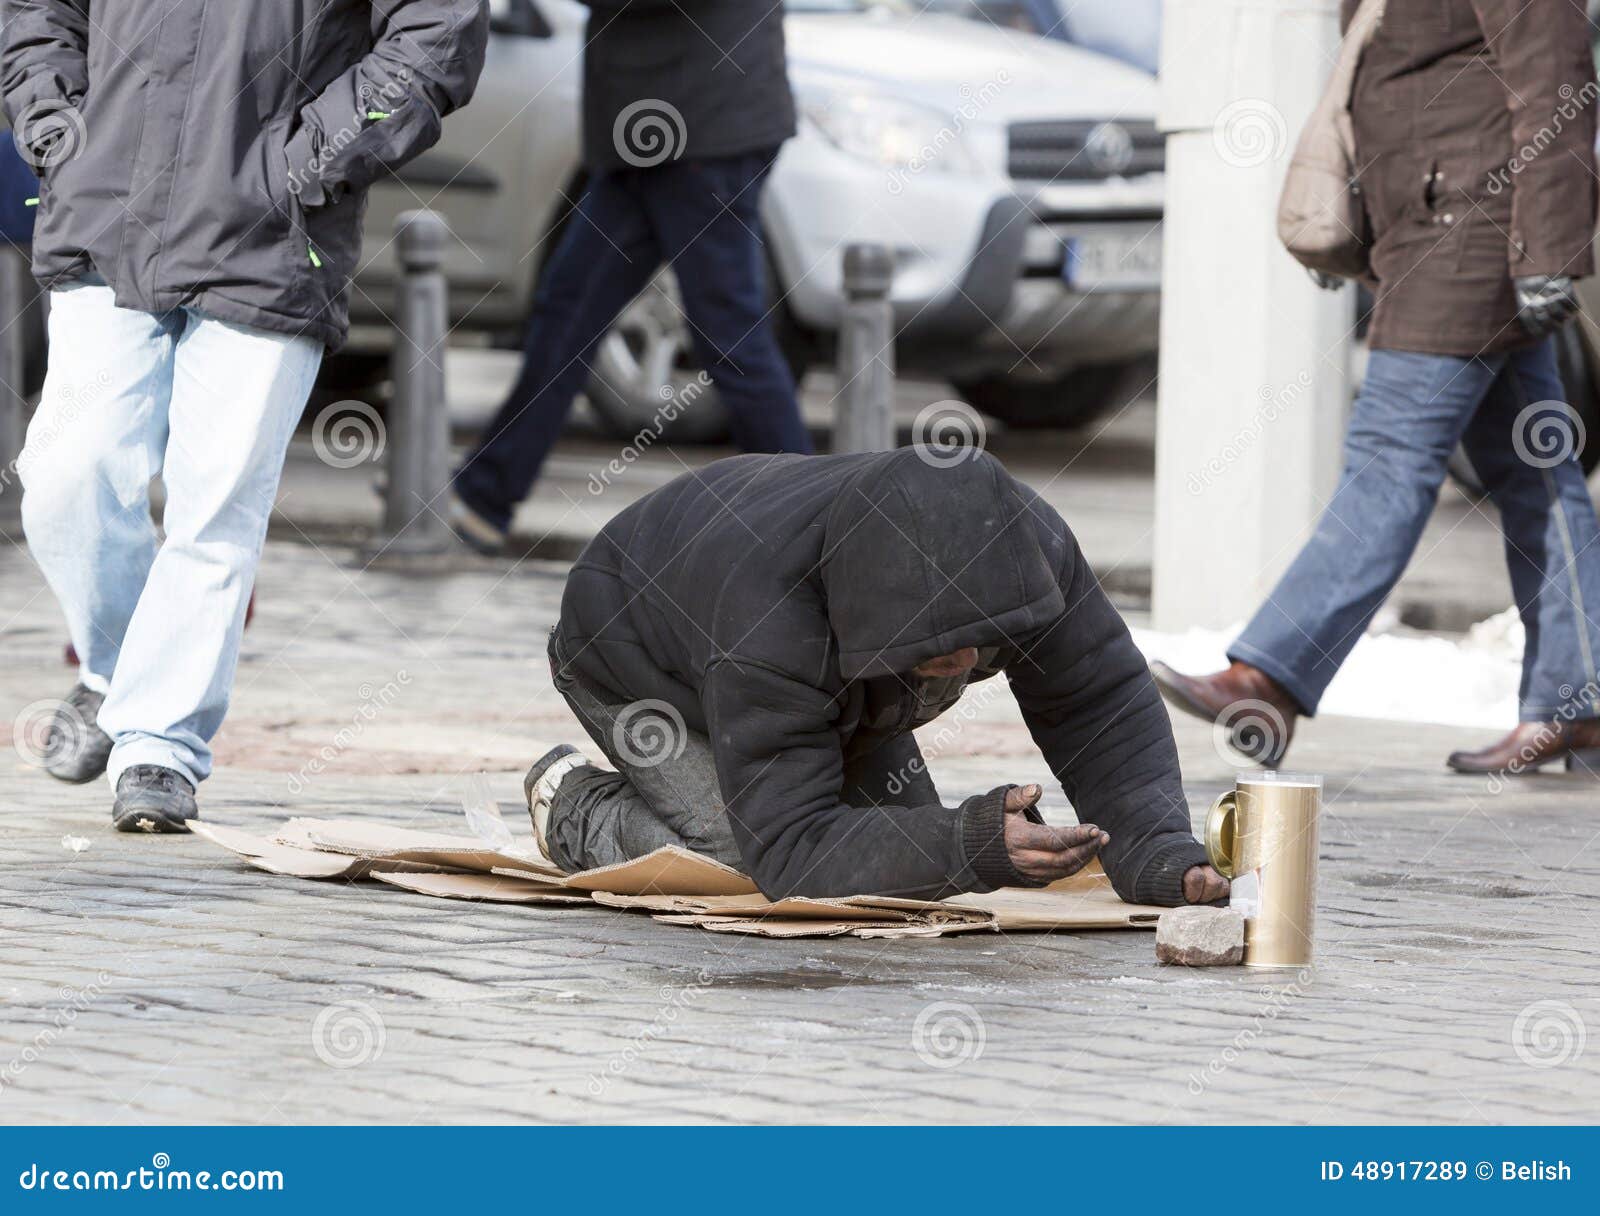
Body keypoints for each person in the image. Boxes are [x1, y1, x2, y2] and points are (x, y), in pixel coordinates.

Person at [5, 0, 489, 831]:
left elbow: (440, 27)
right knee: (64, 475)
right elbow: (36, 11)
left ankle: (159, 743)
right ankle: (121, 673)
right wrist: (59, 128)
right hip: (105, 211)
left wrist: (310, 158)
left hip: (269, 238)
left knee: (218, 500)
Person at [1154, 0, 1600, 776]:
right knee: (1539, 472)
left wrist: (1547, 254)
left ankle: (1270, 677)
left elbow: (1554, 73)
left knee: (1391, 457)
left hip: (1470, 235)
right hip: (1431, 230)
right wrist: (1358, 227)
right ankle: (1578, 701)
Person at [526, 447, 1228, 905]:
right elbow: (791, 851)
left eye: (978, 643)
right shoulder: (769, 624)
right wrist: (971, 840)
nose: (962, 668)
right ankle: (574, 805)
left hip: (819, 673)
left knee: (898, 873)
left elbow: (1098, 701)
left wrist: (1157, 850)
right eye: (936, 652)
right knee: (741, 858)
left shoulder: (1023, 549)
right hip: (628, 649)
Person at [447, 0, 812, 555]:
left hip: (698, 126)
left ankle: (817, 528)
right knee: (570, 311)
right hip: (659, 123)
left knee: (729, 337)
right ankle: (484, 496)